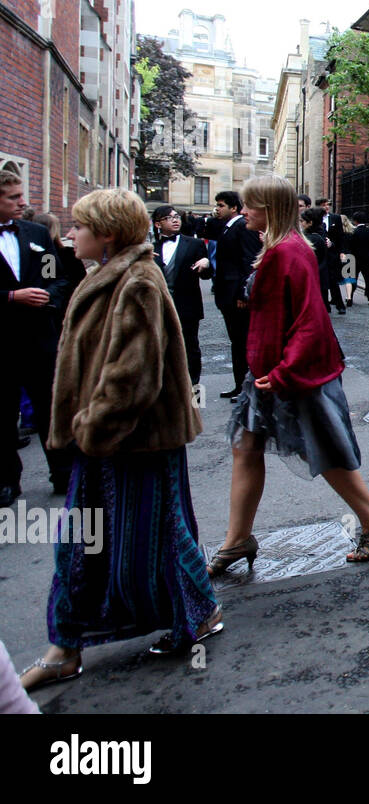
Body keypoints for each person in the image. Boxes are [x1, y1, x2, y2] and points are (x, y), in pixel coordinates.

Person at [19, 189, 221, 692]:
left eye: (80, 227)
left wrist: (91, 427)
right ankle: (66, 646)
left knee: (146, 537)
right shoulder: (109, 275)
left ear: (107, 233)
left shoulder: (138, 281)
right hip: (111, 439)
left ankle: (190, 616)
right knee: (96, 543)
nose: (70, 236)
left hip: (132, 439)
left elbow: (133, 378)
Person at [210, 176, 369, 574]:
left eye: (250, 205)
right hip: (271, 372)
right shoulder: (280, 247)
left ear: (270, 209)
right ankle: (237, 538)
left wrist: (282, 372)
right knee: (246, 448)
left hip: (292, 374)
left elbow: (310, 321)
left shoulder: (287, 251)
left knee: (324, 451)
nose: (243, 211)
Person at [0, 171, 72, 507]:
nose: (23, 202)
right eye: (13, 197)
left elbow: (55, 277)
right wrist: (12, 298)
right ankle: (6, 481)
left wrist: (48, 297)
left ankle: (62, 473)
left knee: (50, 409)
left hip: (40, 339)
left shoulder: (36, 233)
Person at [210, 190, 262, 399]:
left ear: (234, 208)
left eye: (221, 205)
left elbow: (249, 261)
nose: (217, 209)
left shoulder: (242, 226)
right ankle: (239, 384)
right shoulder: (227, 227)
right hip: (226, 292)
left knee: (242, 341)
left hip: (236, 295)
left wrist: (243, 293)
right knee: (236, 341)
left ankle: (246, 386)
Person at [152, 205, 212, 386]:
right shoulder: (150, 248)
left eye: (177, 216)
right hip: (160, 306)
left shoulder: (194, 244)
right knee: (162, 347)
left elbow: (207, 275)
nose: (175, 220)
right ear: (157, 224)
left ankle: (194, 390)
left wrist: (206, 262)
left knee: (190, 347)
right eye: (169, 218)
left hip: (187, 305)